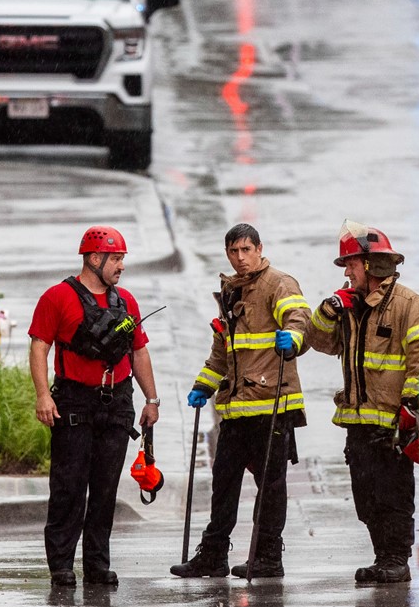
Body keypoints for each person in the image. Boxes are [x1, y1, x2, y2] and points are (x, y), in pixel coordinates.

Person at [171, 223, 310, 580]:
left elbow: (299, 319)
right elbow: (223, 350)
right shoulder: (231, 290)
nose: (240, 258)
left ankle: (267, 558)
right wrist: (204, 384)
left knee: (271, 488)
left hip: (271, 407)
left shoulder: (279, 283)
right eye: (233, 252)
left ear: (260, 249)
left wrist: (292, 338)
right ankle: (213, 556)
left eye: (246, 250)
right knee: (224, 484)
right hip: (235, 409)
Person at [29, 225, 161, 587]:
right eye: (115, 258)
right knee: (69, 488)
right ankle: (61, 564)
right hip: (73, 401)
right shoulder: (57, 297)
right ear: (93, 258)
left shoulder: (127, 301)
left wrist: (151, 399)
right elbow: (39, 346)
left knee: (105, 490)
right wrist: (43, 395)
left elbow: (139, 351)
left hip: (116, 401)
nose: (121, 266)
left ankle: (97, 565)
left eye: (122, 258)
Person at [307, 222, 419, 584]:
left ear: (373, 265)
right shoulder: (349, 306)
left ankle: (396, 560)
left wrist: (409, 410)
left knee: (392, 495)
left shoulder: (408, 305)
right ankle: (382, 558)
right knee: (367, 499)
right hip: (357, 421)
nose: (346, 272)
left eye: (351, 264)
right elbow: (320, 342)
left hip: (391, 423)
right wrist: (328, 310)